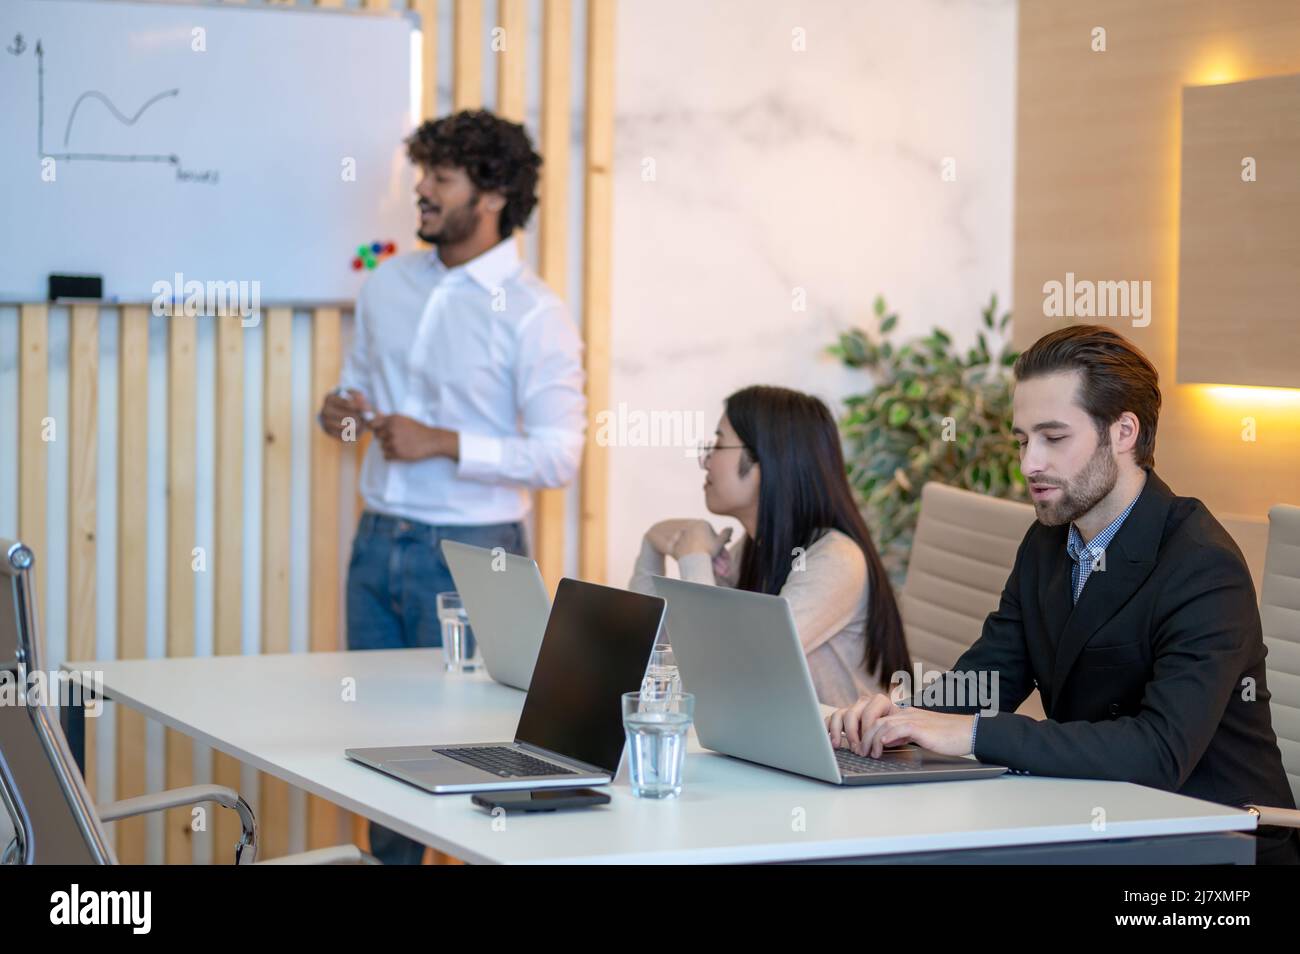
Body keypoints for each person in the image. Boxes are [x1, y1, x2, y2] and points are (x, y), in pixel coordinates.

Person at [825, 324, 1299, 865]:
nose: (1029, 464)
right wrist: (900, 717)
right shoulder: (1048, 540)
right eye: (1023, 440)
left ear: (1123, 432)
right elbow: (989, 679)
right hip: (1100, 815)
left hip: (1216, 843)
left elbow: (1158, 751)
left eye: (1054, 438)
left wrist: (974, 735)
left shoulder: (1202, 564)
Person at [317, 110, 586, 864]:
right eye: (422, 174)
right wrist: (337, 413)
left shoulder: (536, 315)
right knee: (380, 755)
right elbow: (354, 397)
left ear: (493, 192)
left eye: (441, 177)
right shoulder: (387, 284)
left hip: (475, 557)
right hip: (375, 546)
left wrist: (442, 443)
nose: (422, 192)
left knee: (474, 761)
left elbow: (560, 455)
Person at [629, 385, 909, 707]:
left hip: (844, 752)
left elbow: (722, 677)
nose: (705, 460)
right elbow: (652, 657)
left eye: (718, 444)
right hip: (770, 745)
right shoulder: (752, 551)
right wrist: (653, 543)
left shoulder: (836, 561)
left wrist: (694, 558)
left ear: (765, 460)